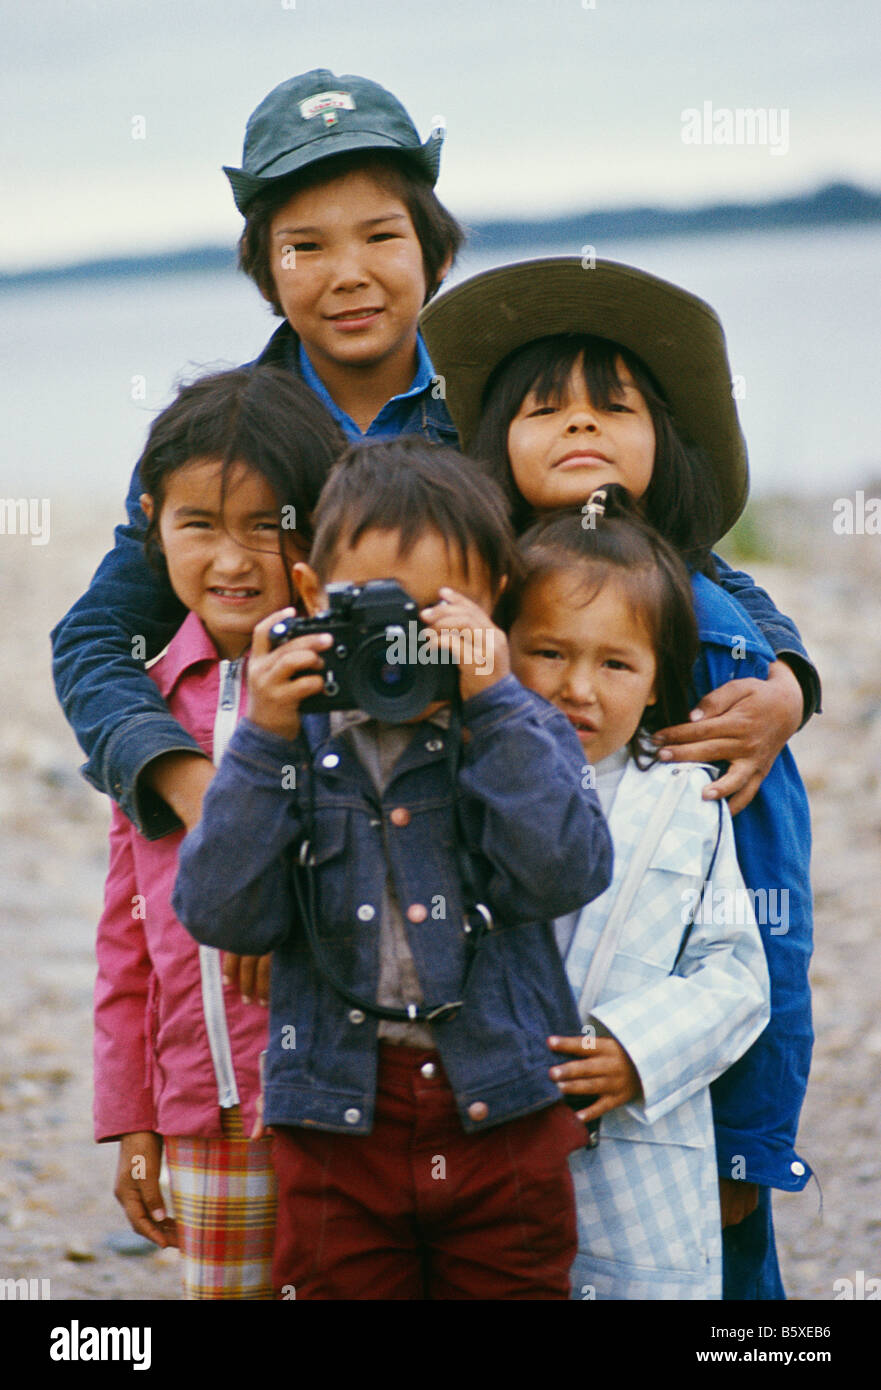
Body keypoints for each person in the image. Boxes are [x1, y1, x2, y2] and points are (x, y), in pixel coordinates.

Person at [420, 257, 815, 1299]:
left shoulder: (715, 634)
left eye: (613, 405)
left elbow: (760, 922)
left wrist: (751, 1141)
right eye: (543, 408)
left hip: (659, 1111)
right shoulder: (479, 595)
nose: (578, 425)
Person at [173, 438, 614, 1300]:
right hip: (336, 1113)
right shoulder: (284, 735)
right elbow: (220, 913)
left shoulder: (516, 724)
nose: (401, 646)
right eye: (372, 611)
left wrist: (492, 698)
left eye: (432, 615)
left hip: (502, 1109)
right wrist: (262, 737)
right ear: (309, 595)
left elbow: (565, 870)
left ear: (490, 604)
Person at [51, 68, 464, 850]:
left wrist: (777, 677)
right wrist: (194, 786)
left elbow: (664, 563)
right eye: (305, 246)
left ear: (435, 254)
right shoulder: (219, 443)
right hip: (289, 817)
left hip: (473, 811)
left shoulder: (495, 412)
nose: (348, 274)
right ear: (268, 272)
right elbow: (97, 638)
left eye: (380, 236)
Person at [93, 366, 345, 1299]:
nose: (233, 561)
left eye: (266, 528)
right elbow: (126, 939)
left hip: (349, 1100)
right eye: (198, 525)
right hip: (208, 1114)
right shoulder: (150, 712)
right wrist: (136, 1117)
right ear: (153, 523)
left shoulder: (349, 690)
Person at [507, 491, 770, 1298]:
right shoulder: (474, 780)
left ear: (657, 679)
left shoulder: (685, 803)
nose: (577, 687)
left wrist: (635, 1048)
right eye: (548, 651)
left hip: (635, 1155)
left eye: (615, 662)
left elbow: (736, 974)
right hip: (498, 1139)